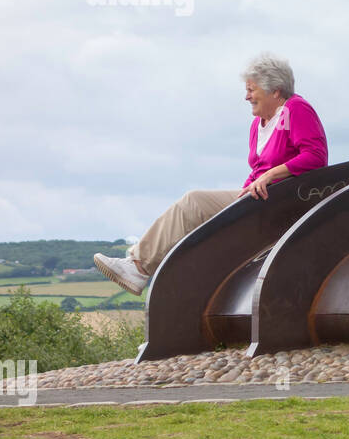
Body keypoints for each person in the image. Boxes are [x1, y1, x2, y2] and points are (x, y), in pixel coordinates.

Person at [93, 52, 328, 296]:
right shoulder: (257, 125)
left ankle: (138, 267)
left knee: (192, 203)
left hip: (282, 200)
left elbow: (316, 155)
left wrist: (270, 176)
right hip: (260, 197)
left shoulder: (295, 109)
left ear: (276, 91)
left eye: (251, 89)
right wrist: (247, 192)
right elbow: (257, 171)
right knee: (202, 219)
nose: (246, 96)